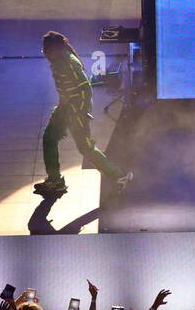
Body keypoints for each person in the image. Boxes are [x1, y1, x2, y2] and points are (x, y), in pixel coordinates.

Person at [34, 31, 133, 199]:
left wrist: (79, 113)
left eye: (48, 51)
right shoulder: (58, 60)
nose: (46, 55)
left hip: (75, 111)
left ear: (55, 50)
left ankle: (119, 176)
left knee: (85, 148)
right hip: (66, 107)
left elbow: (85, 89)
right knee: (49, 138)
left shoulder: (69, 63)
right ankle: (55, 181)